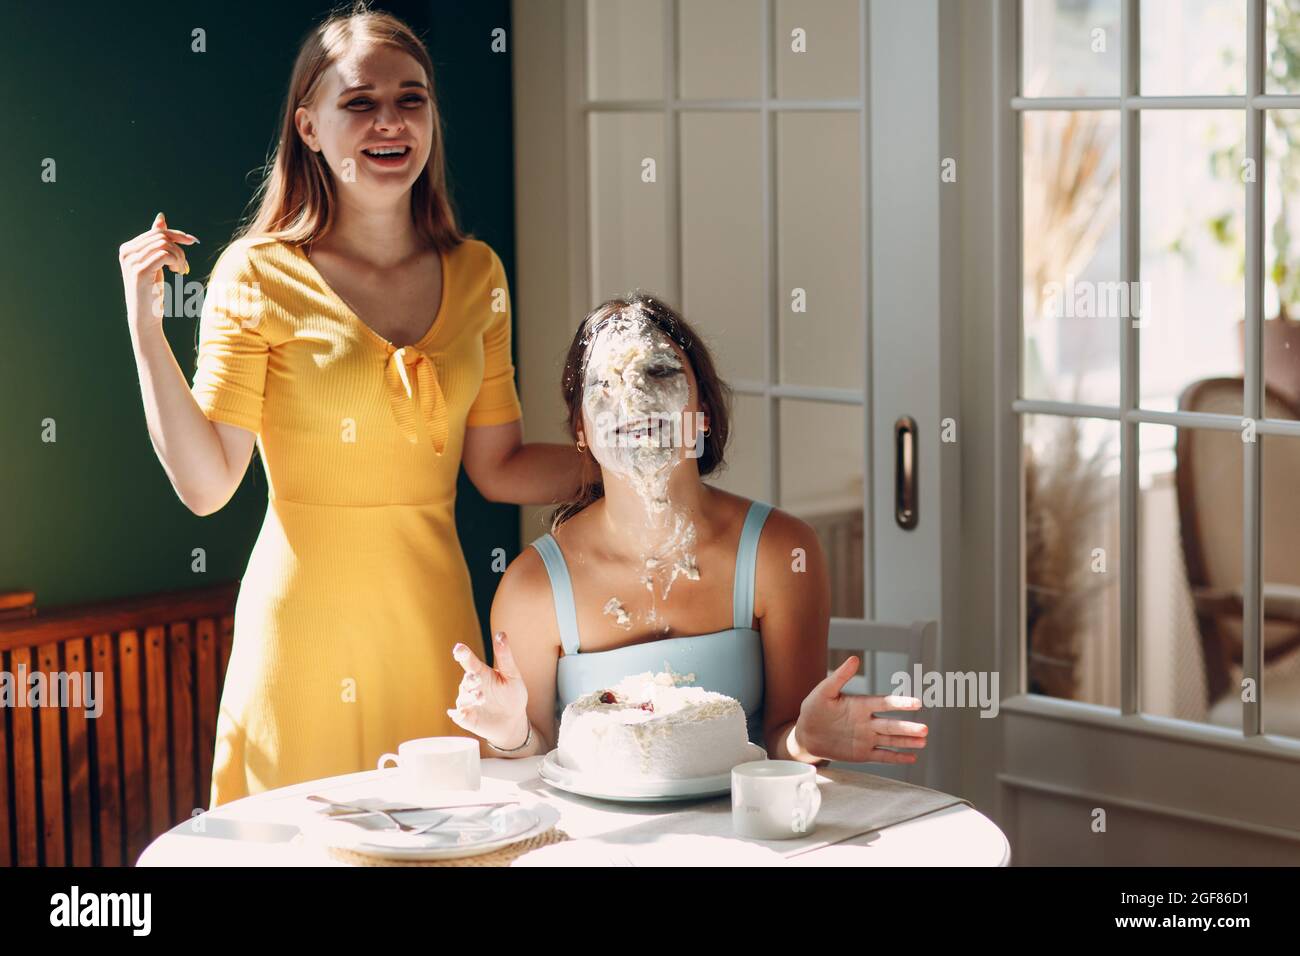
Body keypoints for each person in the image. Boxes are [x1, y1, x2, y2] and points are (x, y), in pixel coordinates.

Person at [118, 3, 582, 807]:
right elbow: (206, 486)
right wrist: (145, 330)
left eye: (412, 98)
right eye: (359, 102)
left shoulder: (479, 274)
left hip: (434, 632)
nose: (389, 122)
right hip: (299, 639)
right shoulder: (254, 273)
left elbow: (499, 467)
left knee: (449, 849)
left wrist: (633, 461)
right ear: (307, 126)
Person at [447, 293, 929, 767]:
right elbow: (529, 760)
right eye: (606, 385)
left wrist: (806, 740)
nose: (633, 398)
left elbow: (786, 741)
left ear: (703, 416)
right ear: (581, 432)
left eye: (658, 372)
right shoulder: (532, 586)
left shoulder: (781, 552)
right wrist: (510, 732)